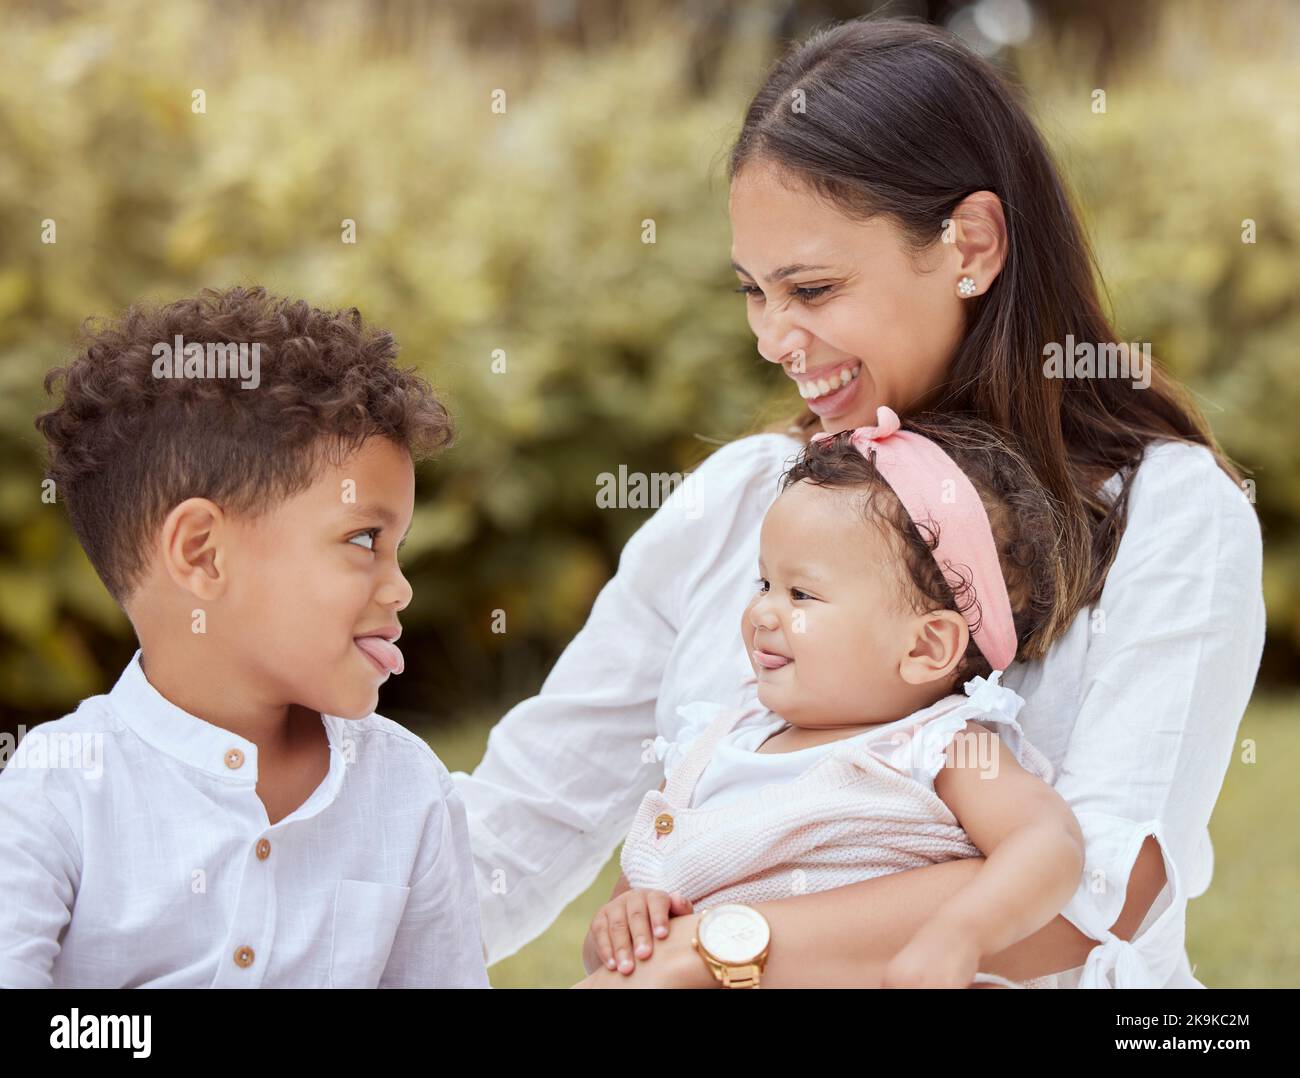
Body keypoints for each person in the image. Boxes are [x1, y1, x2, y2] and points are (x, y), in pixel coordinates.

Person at [451, 17, 1265, 988]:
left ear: (970, 242)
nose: (772, 337)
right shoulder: (745, 494)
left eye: (813, 286)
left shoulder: (1170, 515)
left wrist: (717, 948)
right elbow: (513, 828)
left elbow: (1089, 899)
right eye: (753, 291)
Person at [1, 285, 489, 988]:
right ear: (202, 554)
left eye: (398, 546)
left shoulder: (408, 791)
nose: (400, 586)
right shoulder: (59, 791)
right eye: (363, 540)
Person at [587, 409, 1087, 989]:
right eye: (764, 584)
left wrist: (962, 934)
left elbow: (1047, 841)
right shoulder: (710, 747)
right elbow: (613, 961)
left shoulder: (933, 746)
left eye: (801, 593)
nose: (762, 612)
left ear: (926, 646)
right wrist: (624, 922)